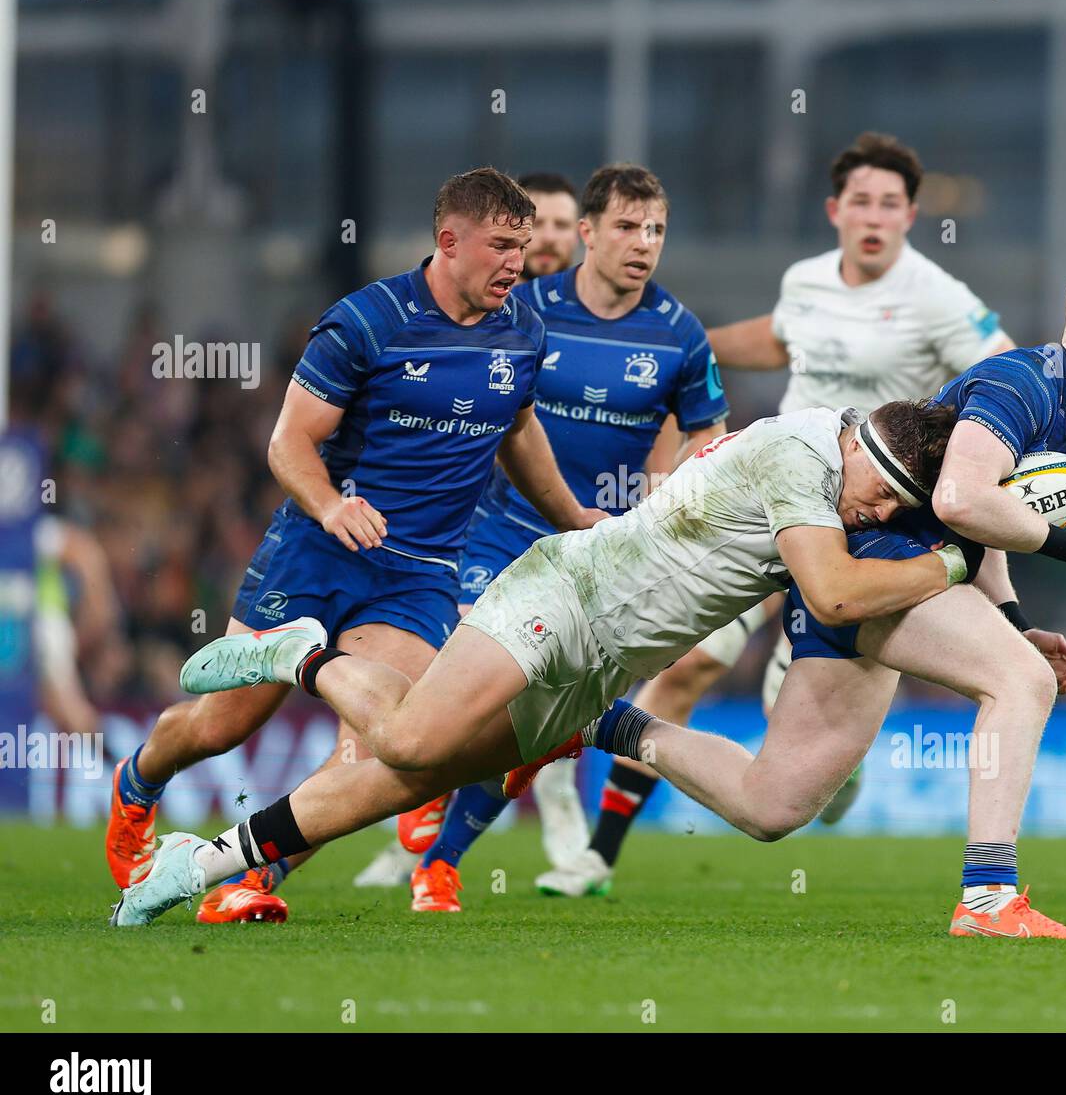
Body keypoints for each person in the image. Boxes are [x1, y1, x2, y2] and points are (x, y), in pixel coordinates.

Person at [110, 398, 978, 926]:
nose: (873, 515)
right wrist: (952, 561)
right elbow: (830, 595)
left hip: (597, 665)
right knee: (410, 744)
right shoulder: (805, 457)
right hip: (563, 598)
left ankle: (201, 864)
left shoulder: (834, 464)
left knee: (406, 779)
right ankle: (299, 653)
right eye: (882, 496)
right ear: (865, 449)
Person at [555, 254, 1066, 939]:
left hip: (891, 572)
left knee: (771, 804)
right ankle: (989, 897)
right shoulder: (1024, 381)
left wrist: (1013, 619)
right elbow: (959, 497)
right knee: (1021, 683)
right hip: (878, 560)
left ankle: (590, 721)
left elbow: (982, 526)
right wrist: (1064, 543)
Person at [105, 167, 603, 924]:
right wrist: (332, 505)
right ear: (449, 241)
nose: (517, 263)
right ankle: (138, 783)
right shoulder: (368, 321)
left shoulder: (524, 331)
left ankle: (248, 877)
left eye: (523, 246)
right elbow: (288, 441)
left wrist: (572, 514)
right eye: (502, 245)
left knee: (384, 750)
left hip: (420, 573)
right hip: (318, 550)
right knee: (224, 722)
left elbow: (519, 429)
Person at [536, 130, 1015, 897]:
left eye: (889, 203)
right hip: (779, 501)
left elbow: (1003, 380)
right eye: (860, 199)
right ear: (835, 209)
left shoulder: (940, 301)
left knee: (797, 774)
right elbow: (773, 340)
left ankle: (833, 765)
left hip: (870, 523)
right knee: (687, 664)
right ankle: (599, 852)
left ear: (911, 215)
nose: (873, 214)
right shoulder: (805, 282)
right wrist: (677, 350)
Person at [396, 163, 730, 913]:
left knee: (535, 721)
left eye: (656, 230)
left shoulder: (678, 334)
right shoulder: (526, 309)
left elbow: (709, 433)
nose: (643, 243)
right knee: (463, 679)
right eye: (626, 226)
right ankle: (420, 784)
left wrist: (672, 495)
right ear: (584, 232)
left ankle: (440, 863)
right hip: (497, 531)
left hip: (594, 555)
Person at [353, 170, 588, 890]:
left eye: (552, 228)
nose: (537, 244)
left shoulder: (576, 321)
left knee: (531, 708)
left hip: (563, 542)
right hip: (469, 533)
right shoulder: (465, 303)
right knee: (446, 693)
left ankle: (440, 856)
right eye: (527, 229)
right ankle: (403, 834)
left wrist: (600, 510)